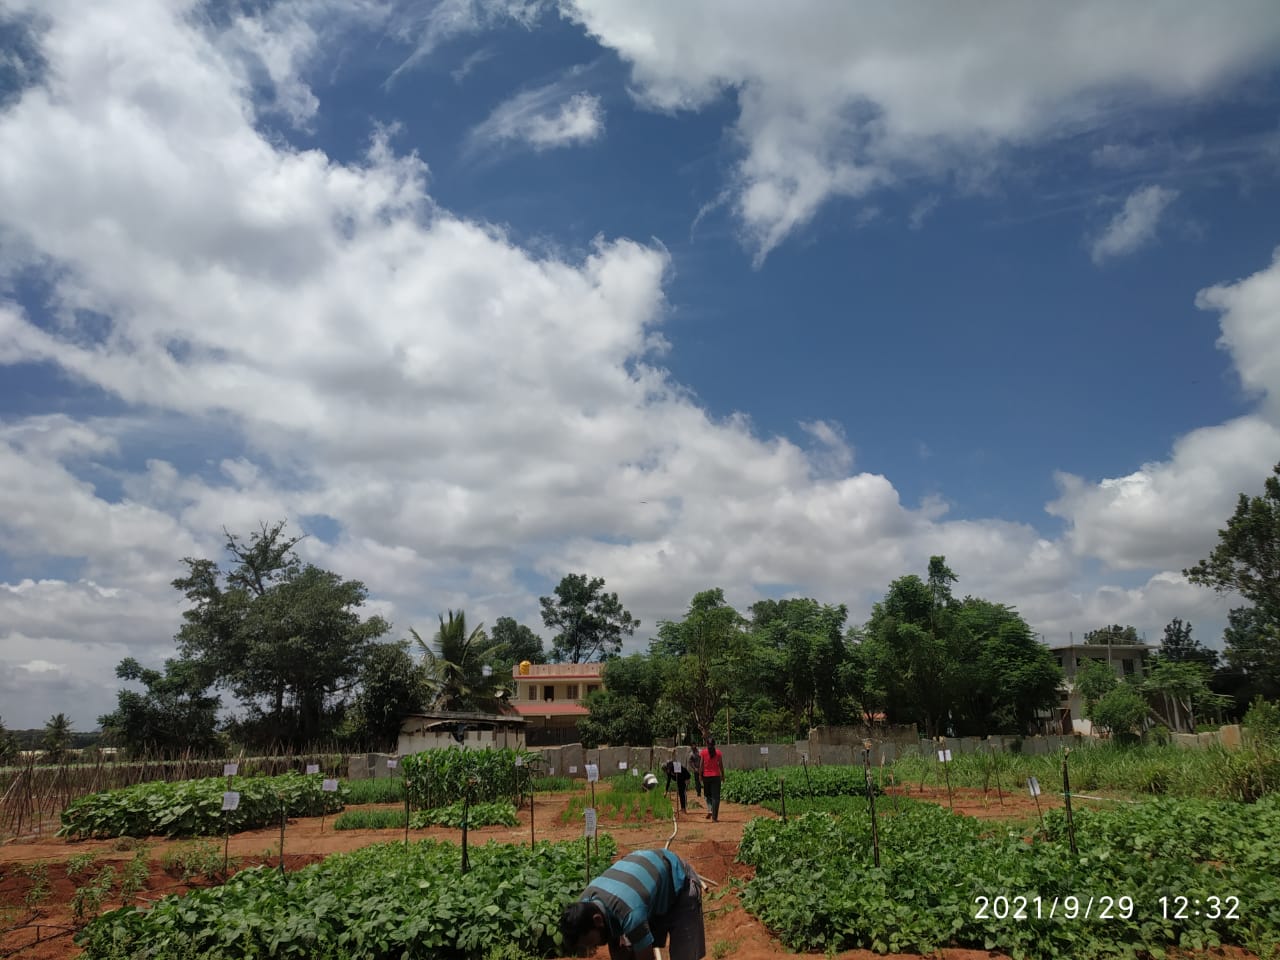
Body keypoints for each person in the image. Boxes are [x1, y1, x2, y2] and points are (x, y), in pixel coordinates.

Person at [560, 848, 705, 960]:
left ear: (597, 920)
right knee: (627, 952)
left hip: (679, 883)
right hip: (647, 888)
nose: (592, 948)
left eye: (590, 942)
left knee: (684, 955)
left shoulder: (630, 913)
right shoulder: (586, 902)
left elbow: (646, 959)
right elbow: (614, 942)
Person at [699, 738, 724, 822]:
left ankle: (710, 809)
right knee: (716, 797)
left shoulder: (703, 752)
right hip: (716, 776)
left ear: (707, 744)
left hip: (706, 777)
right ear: (714, 744)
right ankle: (714, 817)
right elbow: (721, 765)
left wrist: (700, 775)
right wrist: (723, 775)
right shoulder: (718, 753)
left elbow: (701, 765)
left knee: (707, 795)